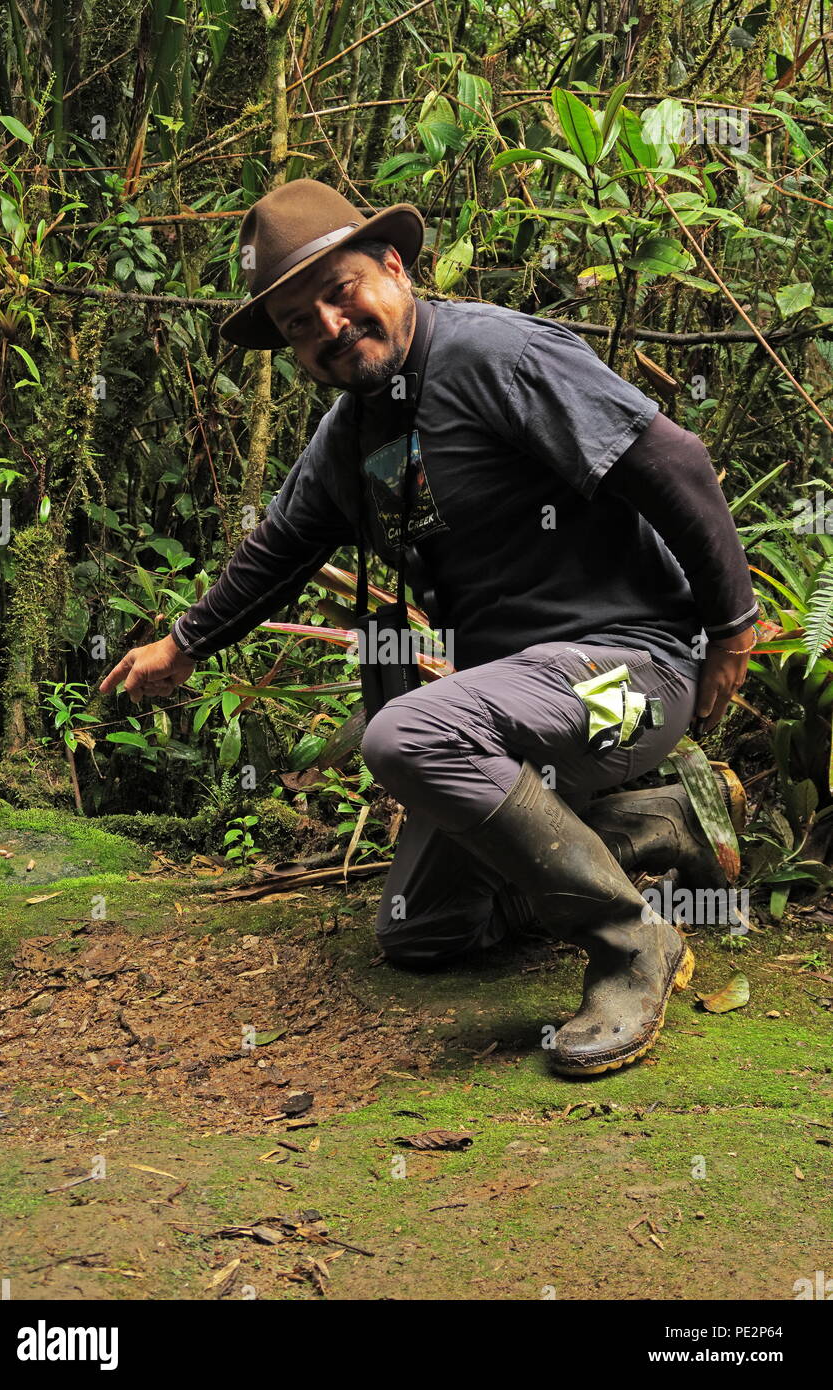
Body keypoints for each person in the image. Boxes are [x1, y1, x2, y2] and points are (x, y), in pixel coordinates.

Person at [99, 178, 758, 1076]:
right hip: (527, 713)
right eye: (299, 322)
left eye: (341, 293)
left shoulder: (496, 354)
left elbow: (673, 459)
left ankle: (632, 944)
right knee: (427, 932)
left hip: (631, 681)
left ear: (396, 267)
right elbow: (285, 544)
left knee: (409, 731)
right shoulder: (355, 430)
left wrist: (731, 628)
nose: (328, 326)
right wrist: (185, 641)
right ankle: (652, 828)